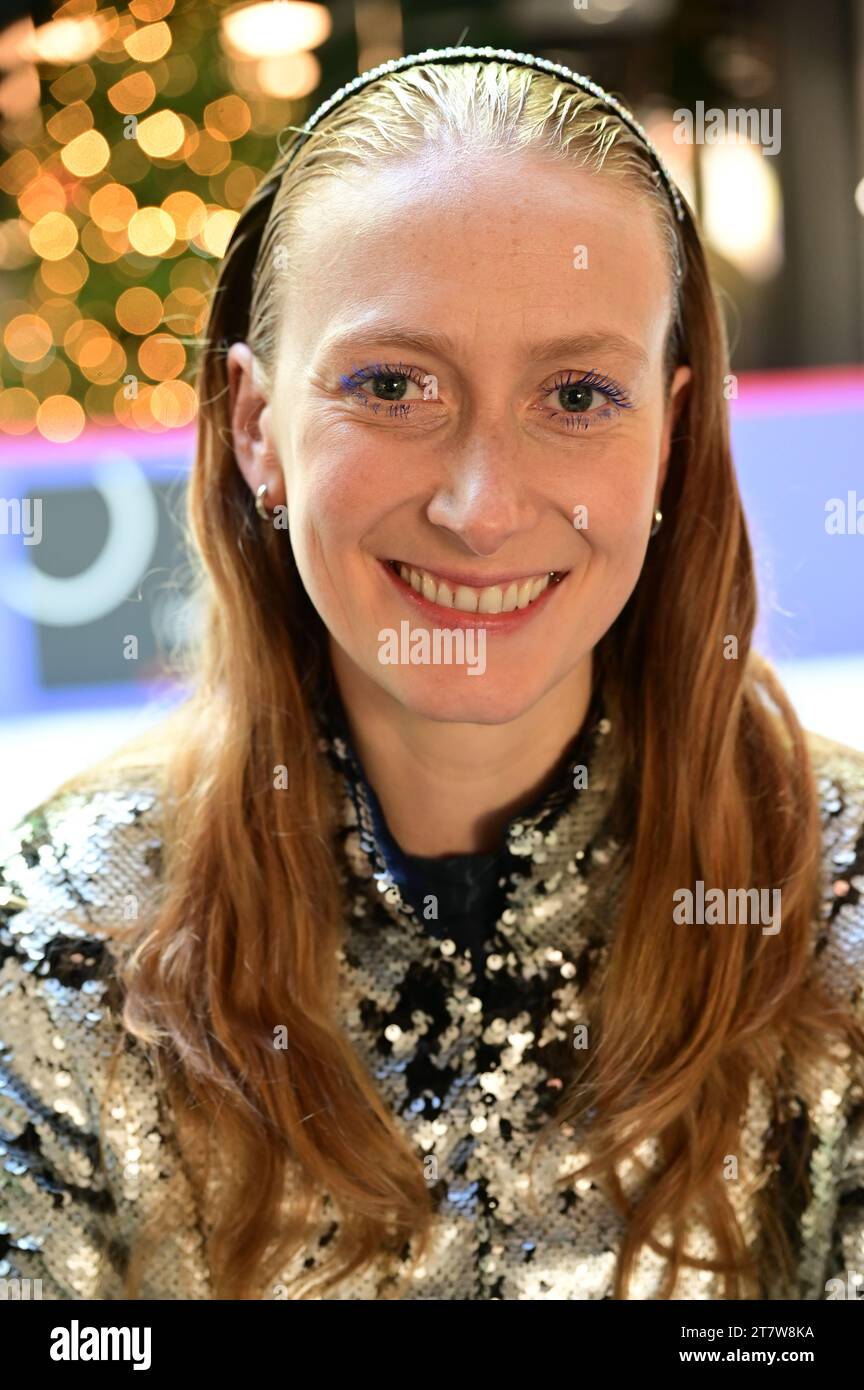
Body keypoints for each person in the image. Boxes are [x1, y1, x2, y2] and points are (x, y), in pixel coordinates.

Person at [1, 47, 862, 1303]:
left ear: (671, 437)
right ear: (256, 428)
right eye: (393, 386)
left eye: (576, 394)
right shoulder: (61, 934)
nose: (480, 505)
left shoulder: (837, 908)